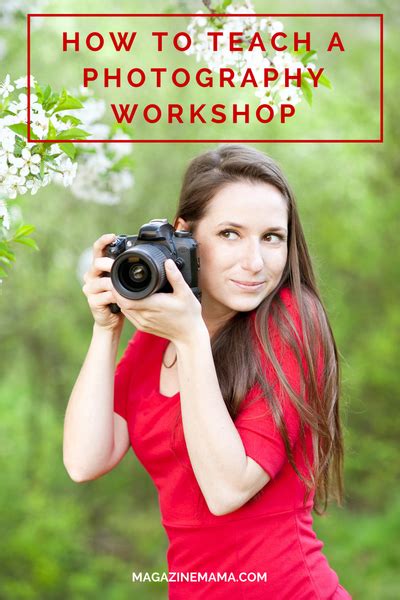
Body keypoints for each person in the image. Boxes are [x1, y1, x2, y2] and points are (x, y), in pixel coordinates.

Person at [63, 144, 352, 599]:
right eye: (231, 234)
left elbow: (226, 489)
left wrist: (191, 338)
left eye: (272, 237)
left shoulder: (292, 326)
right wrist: (106, 330)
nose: (255, 262)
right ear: (186, 235)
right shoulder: (157, 334)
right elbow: (84, 460)